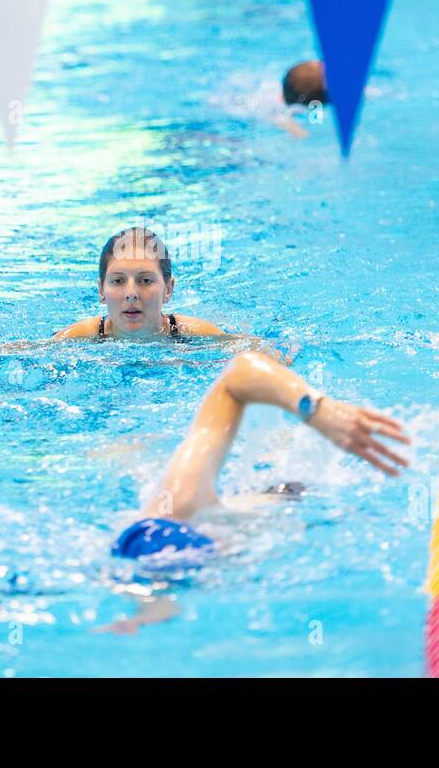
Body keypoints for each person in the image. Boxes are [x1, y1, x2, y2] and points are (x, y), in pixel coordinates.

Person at [100, 350, 409, 632]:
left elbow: (242, 369)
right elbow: (156, 596)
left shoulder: (179, 502)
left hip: (284, 493)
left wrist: (316, 409)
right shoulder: (173, 526)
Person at [53, 226, 227, 341]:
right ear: (101, 290)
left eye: (145, 280)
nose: (131, 293)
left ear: (168, 289)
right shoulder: (78, 337)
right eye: (118, 281)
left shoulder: (194, 334)